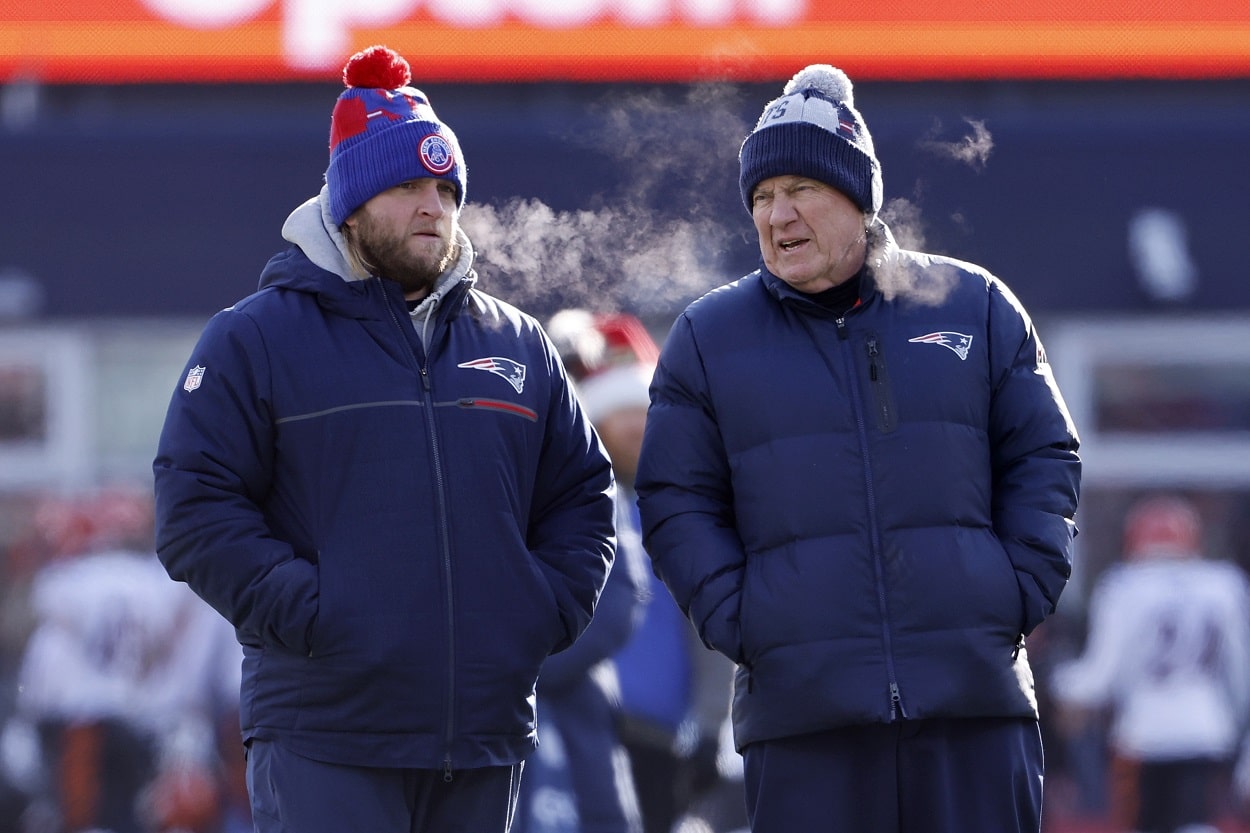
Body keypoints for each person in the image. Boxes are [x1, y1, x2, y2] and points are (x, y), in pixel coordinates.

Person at [151, 44, 616, 833]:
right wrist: (321, 613)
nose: (432, 205)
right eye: (405, 185)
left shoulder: (520, 342)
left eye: (445, 187)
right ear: (351, 203)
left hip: (480, 734)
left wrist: (531, 612)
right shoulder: (253, 339)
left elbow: (582, 499)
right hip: (325, 733)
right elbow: (193, 511)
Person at [634, 63, 1082, 833]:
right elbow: (675, 499)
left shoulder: (974, 304)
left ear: (857, 197)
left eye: (800, 189)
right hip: (805, 724)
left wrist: (1011, 593)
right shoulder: (709, 336)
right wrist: (748, 622)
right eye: (762, 198)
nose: (778, 216)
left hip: (972, 710)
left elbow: (1046, 457)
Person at [545, 310, 740, 833]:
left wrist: (706, 729)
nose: (635, 425)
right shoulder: (558, 508)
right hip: (571, 726)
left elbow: (710, 631)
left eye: (643, 409)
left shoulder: (686, 513)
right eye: (619, 411)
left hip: (658, 738)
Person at [1052, 495, 1250, 833]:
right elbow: (1241, 674)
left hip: (1144, 733)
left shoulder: (1125, 586)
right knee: (1196, 824)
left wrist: (1061, 681)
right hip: (1206, 728)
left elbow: (1101, 675)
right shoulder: (1224, 584)